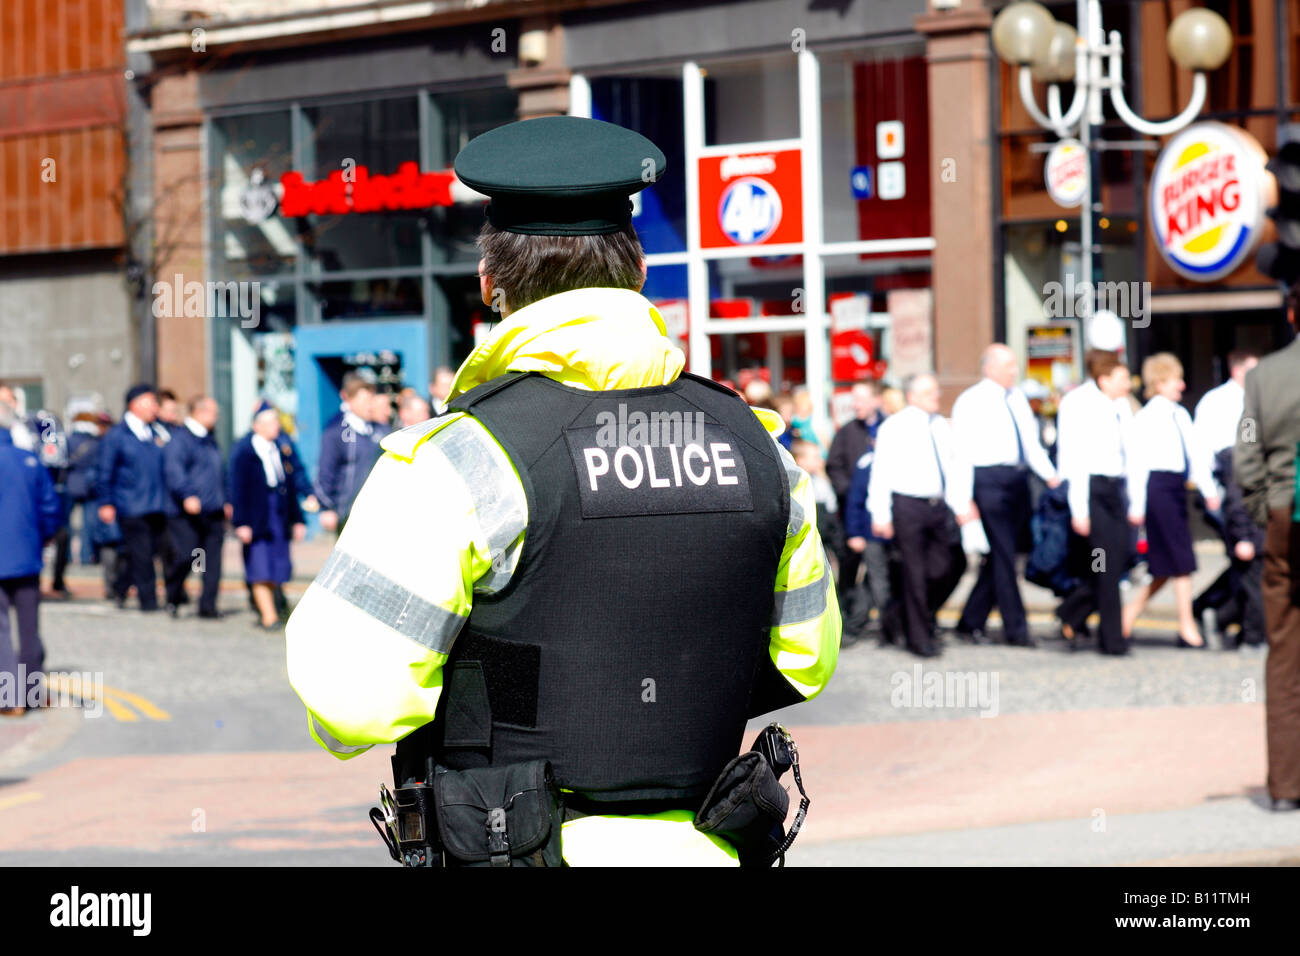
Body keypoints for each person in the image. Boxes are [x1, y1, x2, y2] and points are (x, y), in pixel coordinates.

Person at [285, 115, 840, 867]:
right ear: (638, 272)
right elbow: (807, 658)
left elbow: (354, 698)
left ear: (489, 285)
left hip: (522, 846)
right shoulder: (759, 447)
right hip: (716, 842)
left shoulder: (458, 460)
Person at [1234, 289, 1300, 812]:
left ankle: (1285, 786)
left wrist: (1263, 510)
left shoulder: (1262, 377)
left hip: (1285, 517)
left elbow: (1246, 451)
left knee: (1284, 654)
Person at [951, 345, 1060, 648]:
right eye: (1008, 365)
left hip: (1017, 481)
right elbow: (961, 454)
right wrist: (963, 500)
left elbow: (1031, 445)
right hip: (988, 483)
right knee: (1004, 556)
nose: (1015, 371)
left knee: (1005, 556)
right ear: (990, 367)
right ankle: (1017, 629)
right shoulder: (970, 401)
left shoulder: (1018, 398)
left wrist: (1052, 478)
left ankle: (969, 621)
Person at [867, 373, 974, 658]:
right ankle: (919, 638)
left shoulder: (941, 425)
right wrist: (881, 514)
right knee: (913, 573)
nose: (936, 396)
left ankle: (902, 614)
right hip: (907, 506)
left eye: (936, 391)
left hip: (937, 506)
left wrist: (961, 504)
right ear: (912, 396)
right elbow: (881, 472)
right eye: (929, 392)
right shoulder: (894, 426)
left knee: (943, 567)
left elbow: (955, 466)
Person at [1121, 354, 1221, 647]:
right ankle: (1187, 625)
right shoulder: (1147, 417)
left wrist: (1207, 488)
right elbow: (1137, 465)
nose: (1182, 385)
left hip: (1177, 488)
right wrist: (1137, 505)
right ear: (1160, 382)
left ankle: (1129, 614)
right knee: (1181, 561)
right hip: (1157, 489)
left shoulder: (1180, 414)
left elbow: (1196, 455)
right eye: (1176, 379)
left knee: (1169, 563)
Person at [1055, 350, 1134, 655]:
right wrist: (1080, 509)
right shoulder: (1078, 404)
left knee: (1117, 562)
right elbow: (1073, 458)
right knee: (1104, 563)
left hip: (1116, 491)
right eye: (1122, 378)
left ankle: (1071, 612)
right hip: (1092, 491)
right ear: (1104, 379)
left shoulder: (1121, 406)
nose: (1128, 384)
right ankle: (1112, 640)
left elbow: (1132, 451)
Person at [1193, 350, 1264, 648]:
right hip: (1231, 481)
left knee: (1249, 565)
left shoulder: (1259, 398)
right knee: (1246, 560)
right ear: (1237, 371)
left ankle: (1223, 617)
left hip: (1253, 477)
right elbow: (1200, 450)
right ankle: (1230, 621)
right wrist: (1209, 491)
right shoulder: (1216, 401)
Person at [0, 404, 62, 716]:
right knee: (29, 627)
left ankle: (10, 698)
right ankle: (33, 693)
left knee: (0, 630)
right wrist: (43, 537)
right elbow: (50, 507)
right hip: (25, 554)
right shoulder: (29, 461)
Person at [230, 402, 305, 630]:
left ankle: (275, 608)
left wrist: (298, 519)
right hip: (256, 515)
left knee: (278, 565)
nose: (276, 426)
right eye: (271, 422)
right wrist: (241, 522)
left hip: (278, 513)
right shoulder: (244, 452)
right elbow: (236, 488)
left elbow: (290, 486)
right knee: (260, 565)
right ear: (257, 426)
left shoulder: (281, 449)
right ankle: (268, 615)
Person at [95, 385, 170, 612]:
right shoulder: (117, 436)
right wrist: (105, 502)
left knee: (141, 552)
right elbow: (105, 471)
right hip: (131, 504)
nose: (155, 408)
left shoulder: (157, 433)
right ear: (134, 404)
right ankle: (148, 601)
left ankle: (120, 587)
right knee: (143, 554)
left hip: (157, 503)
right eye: (151, 402)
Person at [827, 381, 886, 625]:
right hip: (851, 514)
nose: (855, 405)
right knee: (849, 570)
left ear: (876, 400)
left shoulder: (889, 428)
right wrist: (849, 491)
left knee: (880, 572)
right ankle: (844, 618)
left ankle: (867, 617)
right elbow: (834, 466)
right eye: (854, 400)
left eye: (861, 399)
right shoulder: (847, 431)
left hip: (881, 516)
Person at [163, 396, 227, 619]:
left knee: (212, 563)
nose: (217, 417)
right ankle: (173, 594)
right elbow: (175, 471)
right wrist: (187, 495)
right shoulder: (181, 439)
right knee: (188, 556)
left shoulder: (210, 439)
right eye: (213, 412)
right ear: (199, 412)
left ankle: (207, 605)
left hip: (213, 511)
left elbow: (218, 472)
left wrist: (225, 499)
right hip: (186, 513)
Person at [315, 373, 382, 534]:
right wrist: (327, 507)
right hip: (347, 514)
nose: (370, 406)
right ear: (349, 400)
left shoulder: (379, 430)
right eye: (365, 401)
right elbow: (325, 471)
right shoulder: (336, 431)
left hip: (375, 513)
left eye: (371, 400)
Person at [842, 441, 894, 644]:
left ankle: (855, 625)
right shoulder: (868, 463)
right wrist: (854, 532)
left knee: (871, 584)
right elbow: (856, 499)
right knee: (880, 582)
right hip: (873, 533)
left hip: (888, 533)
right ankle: (890, 628)